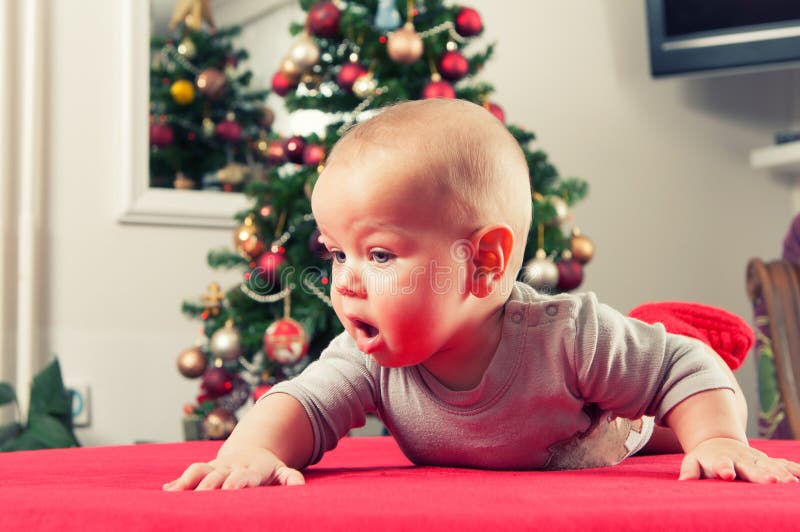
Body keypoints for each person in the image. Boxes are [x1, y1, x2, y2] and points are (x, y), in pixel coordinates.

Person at [164, 99, 800, 491]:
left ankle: (660, 325)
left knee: (660, 406)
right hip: (564, 417)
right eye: (336, 254)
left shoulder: (565, 337)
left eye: (379, 254)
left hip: (603, 427)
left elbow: (684, 367)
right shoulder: (371, 357)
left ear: (484, 263)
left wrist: (719, 441)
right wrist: (249, 453)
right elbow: (301, 404)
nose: (347, 280)